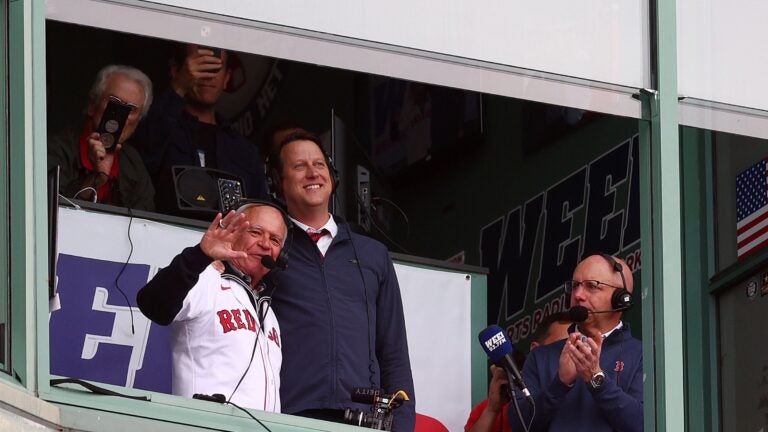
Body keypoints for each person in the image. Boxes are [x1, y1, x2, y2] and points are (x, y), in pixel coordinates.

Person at [265, 131, 416, 430]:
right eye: (299, 166)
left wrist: (402, 424)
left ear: (333, 177)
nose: (312, 172)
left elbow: (394, 350)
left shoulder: (373, 254)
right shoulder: (268, 246)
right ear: (278, 184)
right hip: (288, 416)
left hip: (362, 420)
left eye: (319, 164)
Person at [136, 200, 289, 411]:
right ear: (232, 232)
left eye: (275, 240)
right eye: (255, 232)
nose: (265, 244)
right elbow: (153, 304)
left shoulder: (267, 312)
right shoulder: (205, 279)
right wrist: (199, 256)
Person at [508, 254, 643, 432]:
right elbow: (519, 425)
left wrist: (596, 380)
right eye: (575, 286)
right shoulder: (540, 356)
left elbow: (644, 424)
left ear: (621, 299)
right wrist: (560, 384)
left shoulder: (644, 355)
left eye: (592, 286)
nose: (578, 295)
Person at [134, 43, 268, 215]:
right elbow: (143, 154)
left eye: (215, 68)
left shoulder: (244, 150)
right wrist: (179, 86)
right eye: (200, 65)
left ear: (227, 78)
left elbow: (260, 212)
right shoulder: (159, 126)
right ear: (177, 71)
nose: (207, 76)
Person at [48, 64, 155, 210]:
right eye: (114, 103)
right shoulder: (57, 149)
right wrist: (98, 177)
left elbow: (145, 225)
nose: (121, 116)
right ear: (93, 105)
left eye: (130, 109)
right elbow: (50, 215)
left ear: (138, 121)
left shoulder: (134, 163)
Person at [464, 315, 570, 432]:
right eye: (560, 348)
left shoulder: (577, 399)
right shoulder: (494, 406)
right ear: (535, 349)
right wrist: (492, 410)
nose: (568, 355)